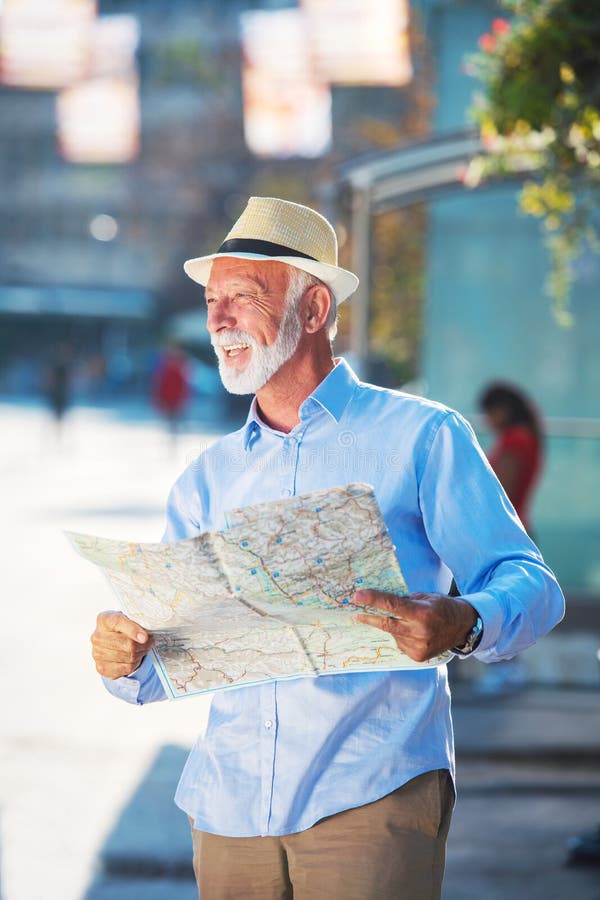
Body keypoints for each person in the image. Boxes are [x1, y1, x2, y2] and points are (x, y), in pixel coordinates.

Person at [91, 197, 565, 900]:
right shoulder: (207, 478)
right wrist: (125, 659)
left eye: (241, 298)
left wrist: (464, 621)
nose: (217, 320)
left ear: (313, 311)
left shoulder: (421, 435)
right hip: (228, 811)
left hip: (370, 794)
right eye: (212, 300)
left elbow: (533, 583)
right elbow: (173, 658)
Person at [479, 381, 544, 536]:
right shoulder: (523, 436)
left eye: (490, 413)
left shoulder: (516, 439)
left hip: (507, 532)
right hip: (514, 527)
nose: (488, 421)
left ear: (503, 410)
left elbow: (503, 493)